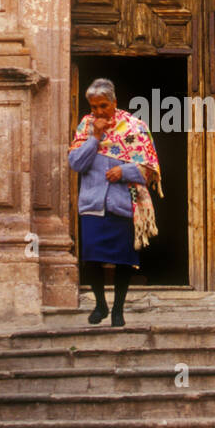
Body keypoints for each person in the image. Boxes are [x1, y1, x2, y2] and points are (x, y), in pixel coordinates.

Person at [68, 78, 162, 327]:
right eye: (94, 106)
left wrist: (124, 172)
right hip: (92, 203)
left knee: (123, 260)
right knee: (92, 258)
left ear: (114, 103)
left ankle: (118, 310)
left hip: (122, 203)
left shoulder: (135, 127)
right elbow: (76, 163)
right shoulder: (86, 127)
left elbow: (148, 168)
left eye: (103, 106)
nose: (98, 111)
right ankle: (100, 305)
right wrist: (94, 138)